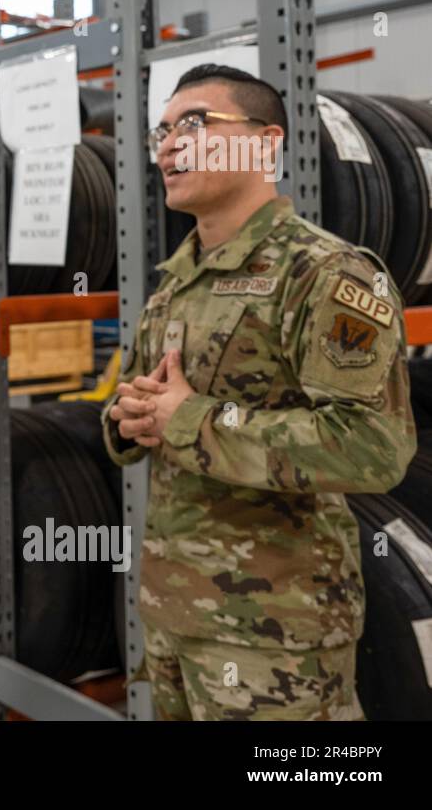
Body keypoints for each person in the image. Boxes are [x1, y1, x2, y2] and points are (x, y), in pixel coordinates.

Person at [103, 63, 416, 720]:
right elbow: (146, 403)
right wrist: (128, 417)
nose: (166, 147)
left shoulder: (329, 275)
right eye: (161, 131)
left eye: (194, 125)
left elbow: (372, 447)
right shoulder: (176, 282)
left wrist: (190, 420)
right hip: (174, 616)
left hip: (276, 638)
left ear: (265, 142)